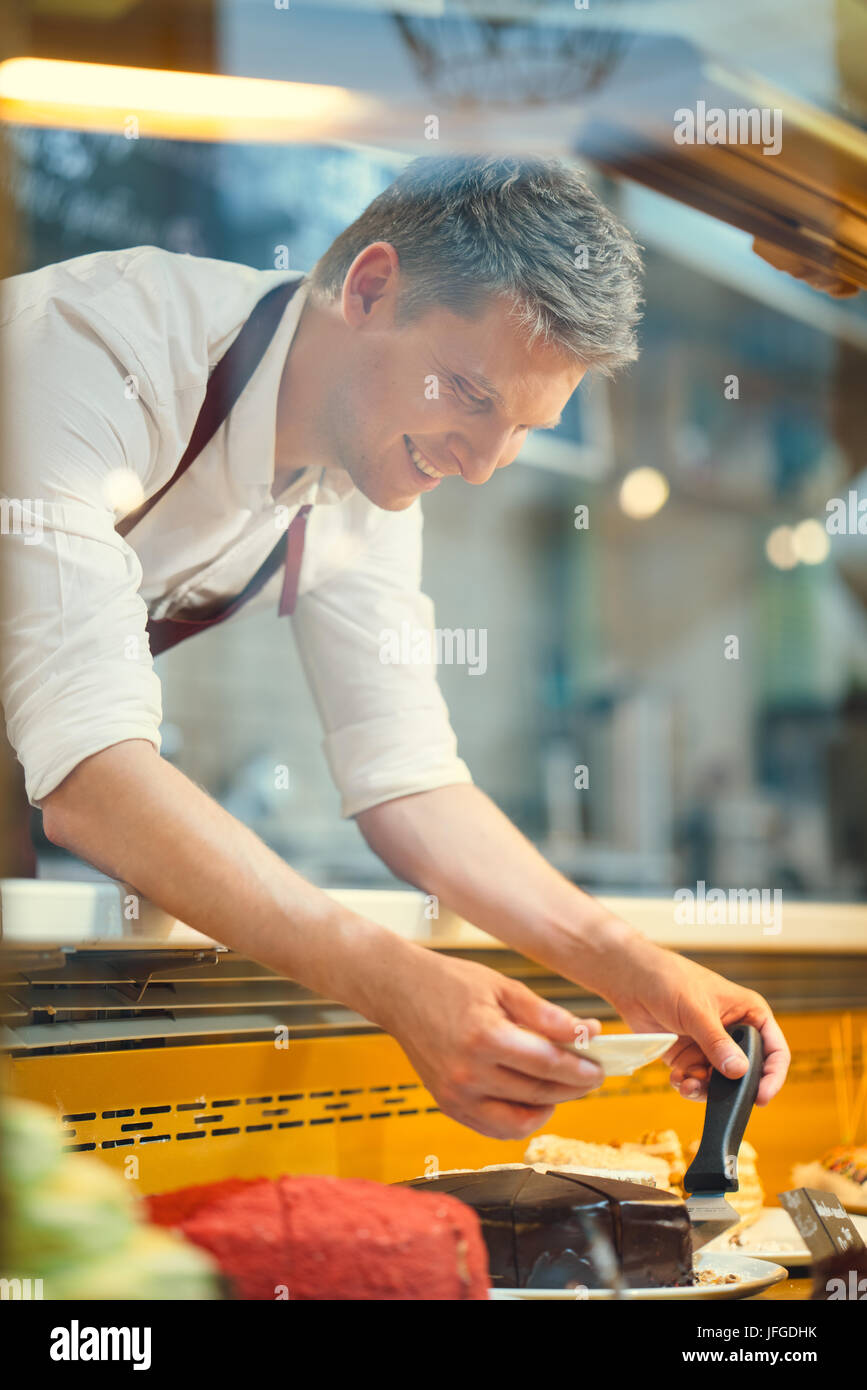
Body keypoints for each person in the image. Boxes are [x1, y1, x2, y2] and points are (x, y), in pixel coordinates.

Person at [0, 155, 789, 1138]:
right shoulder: (91, 355)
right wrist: (386, 975)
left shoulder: (372, 464)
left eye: (518, 430)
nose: (480, 465)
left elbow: (409, 779)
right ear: (368, 287)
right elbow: (89, 775)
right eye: (466, 392)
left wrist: (629, 961)